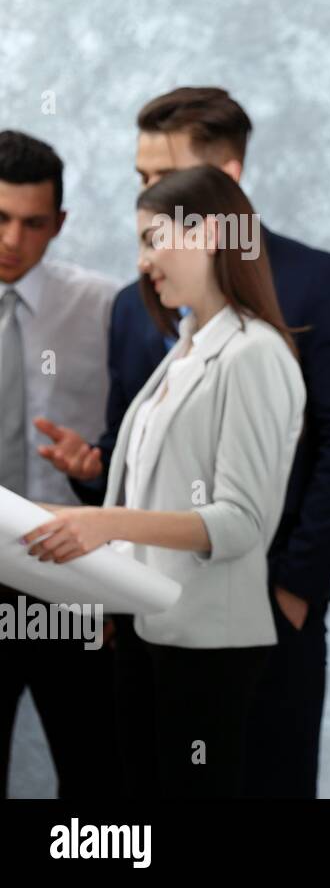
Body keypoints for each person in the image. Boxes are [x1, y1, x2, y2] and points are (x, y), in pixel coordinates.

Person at [37, 87, 330, 797]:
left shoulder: (314, 288)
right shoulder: (157, 311)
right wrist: (93, 479)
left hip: (254, 602)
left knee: (258, 779)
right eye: (141, 180)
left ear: (220, 184)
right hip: (154, 614)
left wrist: (291, 587)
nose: (146, 196)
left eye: (158, 179)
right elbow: (142, 454)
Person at [24, 166, 306, 797]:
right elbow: (157, 491)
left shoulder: (253, 353)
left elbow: (240, 524)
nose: (143, 260)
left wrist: (103, 523)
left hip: (207, 645)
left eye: (153, 239)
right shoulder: (183, 349)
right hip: (149, 630)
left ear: (207, 235)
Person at [0, 129, 120, 798]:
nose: (14, 239)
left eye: (33, 223)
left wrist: (91, 468)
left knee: (99, 771)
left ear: (60, 224)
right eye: (1, 218)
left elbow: (136, 454)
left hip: (69, 576)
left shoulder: (104, 308)